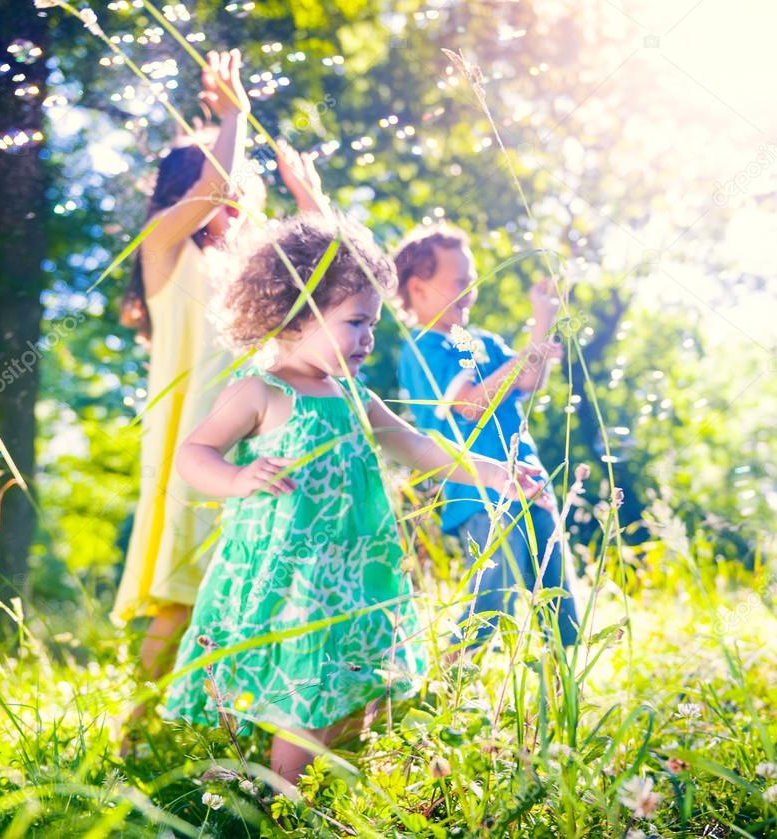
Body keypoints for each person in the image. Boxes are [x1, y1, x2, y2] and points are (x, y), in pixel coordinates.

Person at [161, 213, 549, 784]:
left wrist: (492, 472)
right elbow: (194, 454)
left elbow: (415, 446)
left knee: (341, 684)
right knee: (299, 685)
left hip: (351, 571)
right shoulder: (261, 391)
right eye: (356, 322)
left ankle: (316, 778)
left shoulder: (354, 394)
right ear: (295, 316)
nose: (369, 337)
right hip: (288, 572)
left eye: (371, 323)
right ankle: (275, 797)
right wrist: (237, 479)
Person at [115, 48, 329, 693]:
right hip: (195, 447)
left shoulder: (250, 280)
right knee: (185, 588)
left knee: (263, 584)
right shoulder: (163, 251)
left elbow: (325, 286)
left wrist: (309, 201)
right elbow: (213, 187)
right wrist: (234, 119)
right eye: (225, 195)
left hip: (262, 439)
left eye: (246, 201)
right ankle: (135, 729)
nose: (234, 208)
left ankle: (228, 722)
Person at [394, 225, 580, 652]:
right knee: (494, 590)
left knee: (556, 585)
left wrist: (544, 316)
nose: (470, 291)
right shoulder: (424, 348)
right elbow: (469, 405)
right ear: (420, 290)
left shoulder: (482, 342)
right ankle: (460, 669)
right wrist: (521, 359)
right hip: (479, 488)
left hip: (527, 476)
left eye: (472, 280)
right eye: (460, 282)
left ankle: (565, 675)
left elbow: (529, 380)